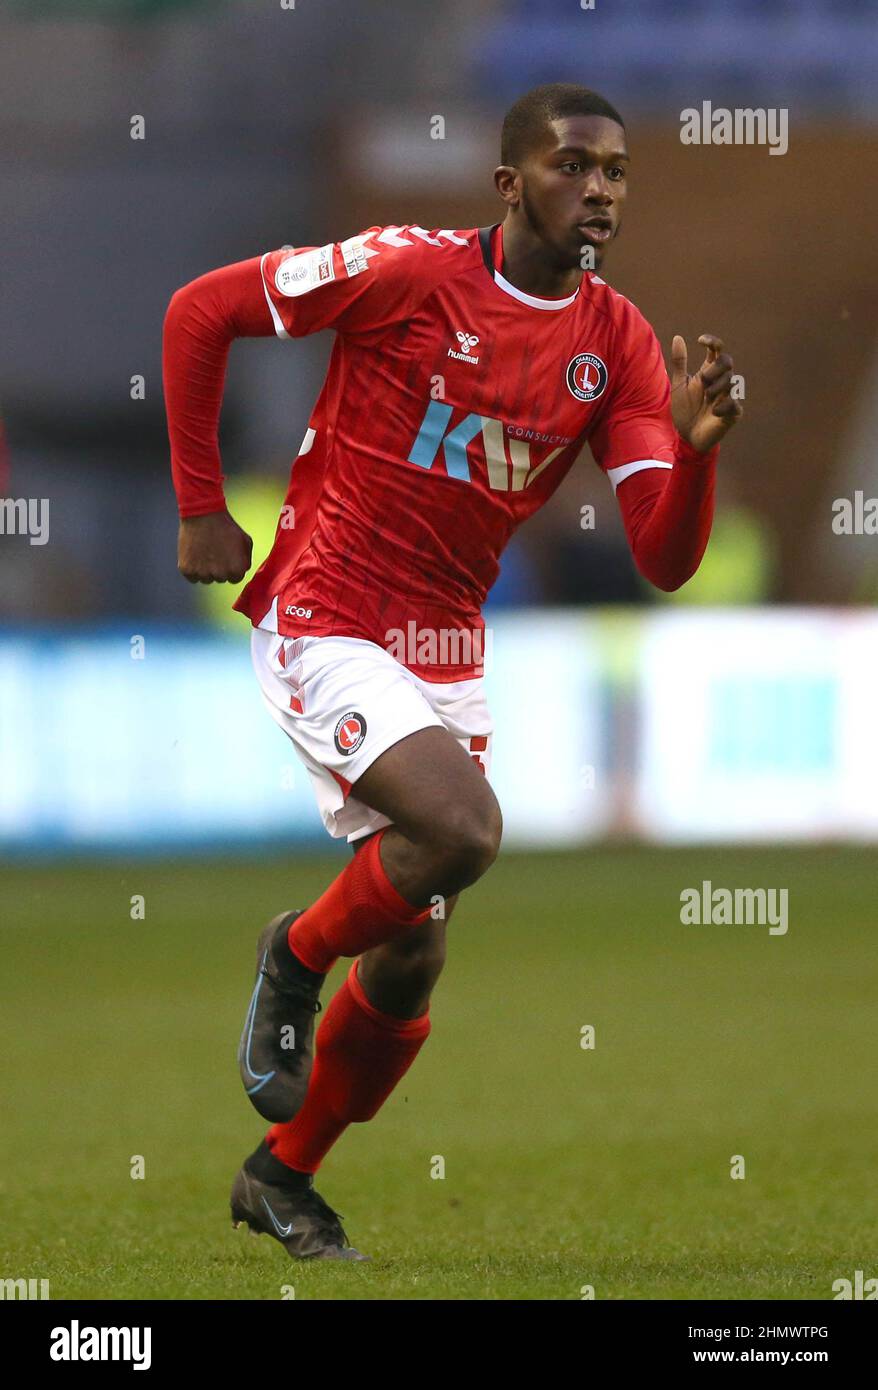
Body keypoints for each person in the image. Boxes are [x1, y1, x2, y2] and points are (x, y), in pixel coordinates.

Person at [163, 83, 743, 1260]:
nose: (598, 189)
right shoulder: (405, 271)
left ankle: (282, 1174)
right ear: (509, 182)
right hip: (325, 608)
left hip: (442, 647)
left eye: (615, 172)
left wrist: (690, 457)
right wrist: (198, 509)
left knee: (418, 941)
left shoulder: (616, 345)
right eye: (573, 164)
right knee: (466, 831)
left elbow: (664, 557)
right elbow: (197, 311)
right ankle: (294, 952)